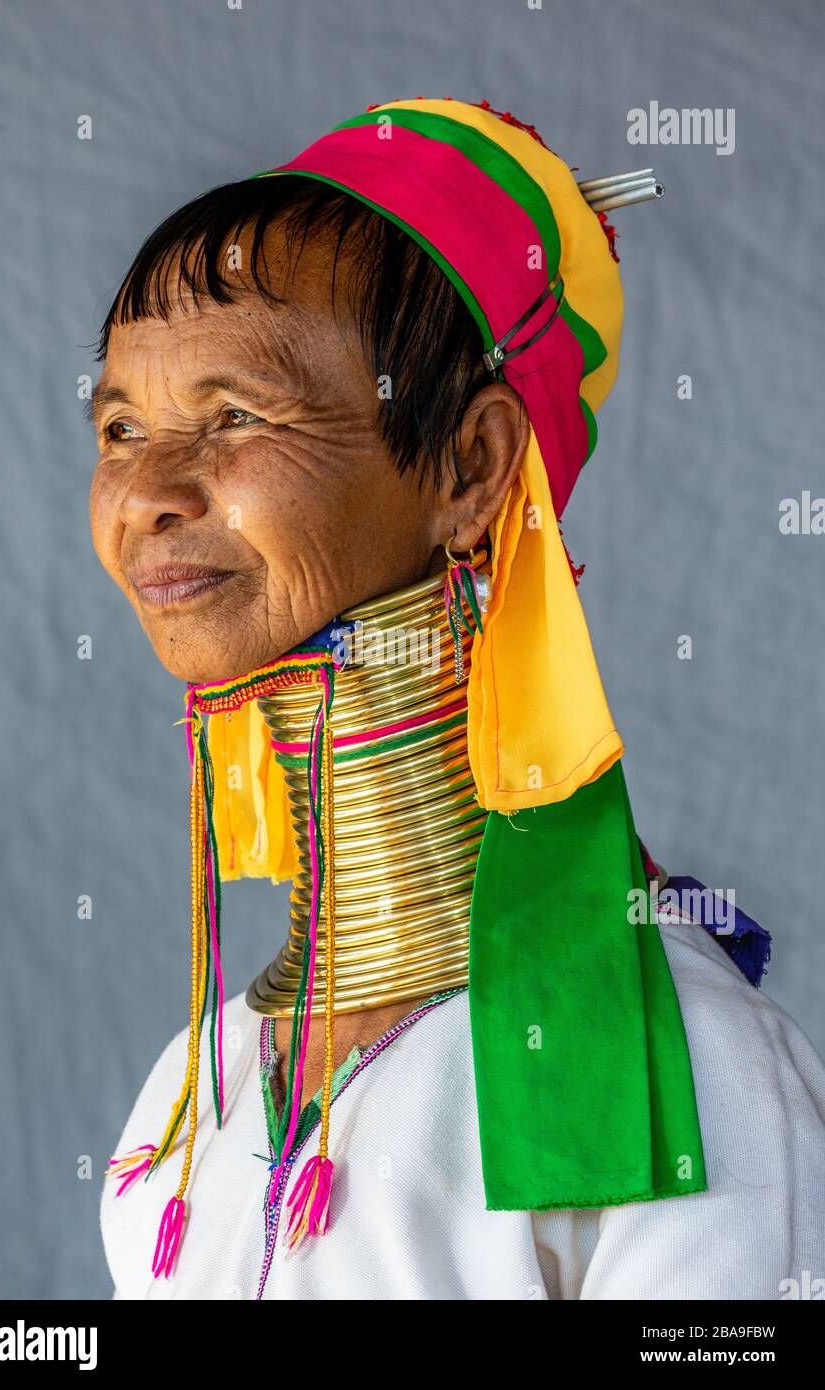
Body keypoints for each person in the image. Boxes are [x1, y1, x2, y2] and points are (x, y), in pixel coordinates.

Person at [90, 96, 825, 1300]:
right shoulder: (196, 1088)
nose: (148, 492)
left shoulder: (674, 1073)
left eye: (235, 416)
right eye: (119, 425)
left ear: (469, 467)